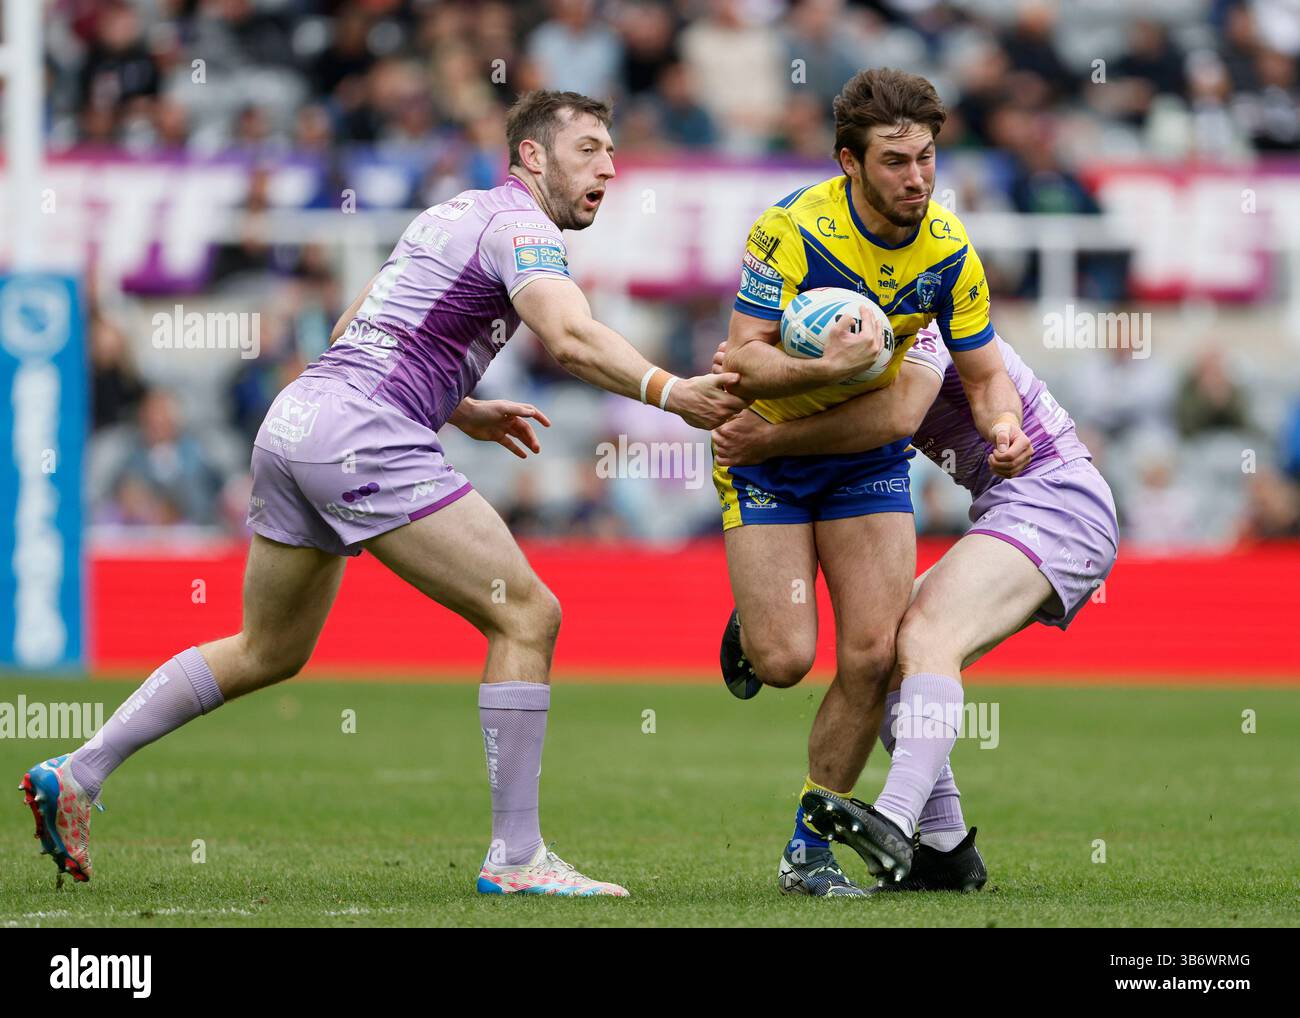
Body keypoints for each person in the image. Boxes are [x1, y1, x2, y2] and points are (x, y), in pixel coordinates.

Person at [20, 90, 745, 897]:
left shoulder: (447, 216)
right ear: (532, 157)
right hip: (364, 432)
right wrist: (673, 393)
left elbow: (352, 330)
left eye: (612, 150)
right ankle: (516, 859)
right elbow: (570, 337)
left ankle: (79, 770)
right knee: (527, 613)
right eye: (588, 148)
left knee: (269, 649)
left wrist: (459, 408)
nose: (608, 165)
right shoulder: (522, 227)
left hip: (297, 420)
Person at [713, 67, 1029, 896]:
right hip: (767, 451)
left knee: (873, 657)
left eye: (925, 158)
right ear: (848, 162)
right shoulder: (790, 230)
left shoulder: (949, 251)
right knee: (785, 660)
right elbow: (739, 359)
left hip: (868, 466)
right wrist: (829, 359)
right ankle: (759, 620)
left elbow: (987, 375)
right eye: (895, 161)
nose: (917, 178)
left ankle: (806, 850)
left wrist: (1002, 426)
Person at [713, 326, 1118, 888]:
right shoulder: (854, 316)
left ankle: (894, 820)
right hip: (1020, 503)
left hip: (1056, 500)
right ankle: (946, 849)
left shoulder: (915, 318)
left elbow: (895, 416)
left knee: (929, 637)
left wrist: (768, 429)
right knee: (881, 648)